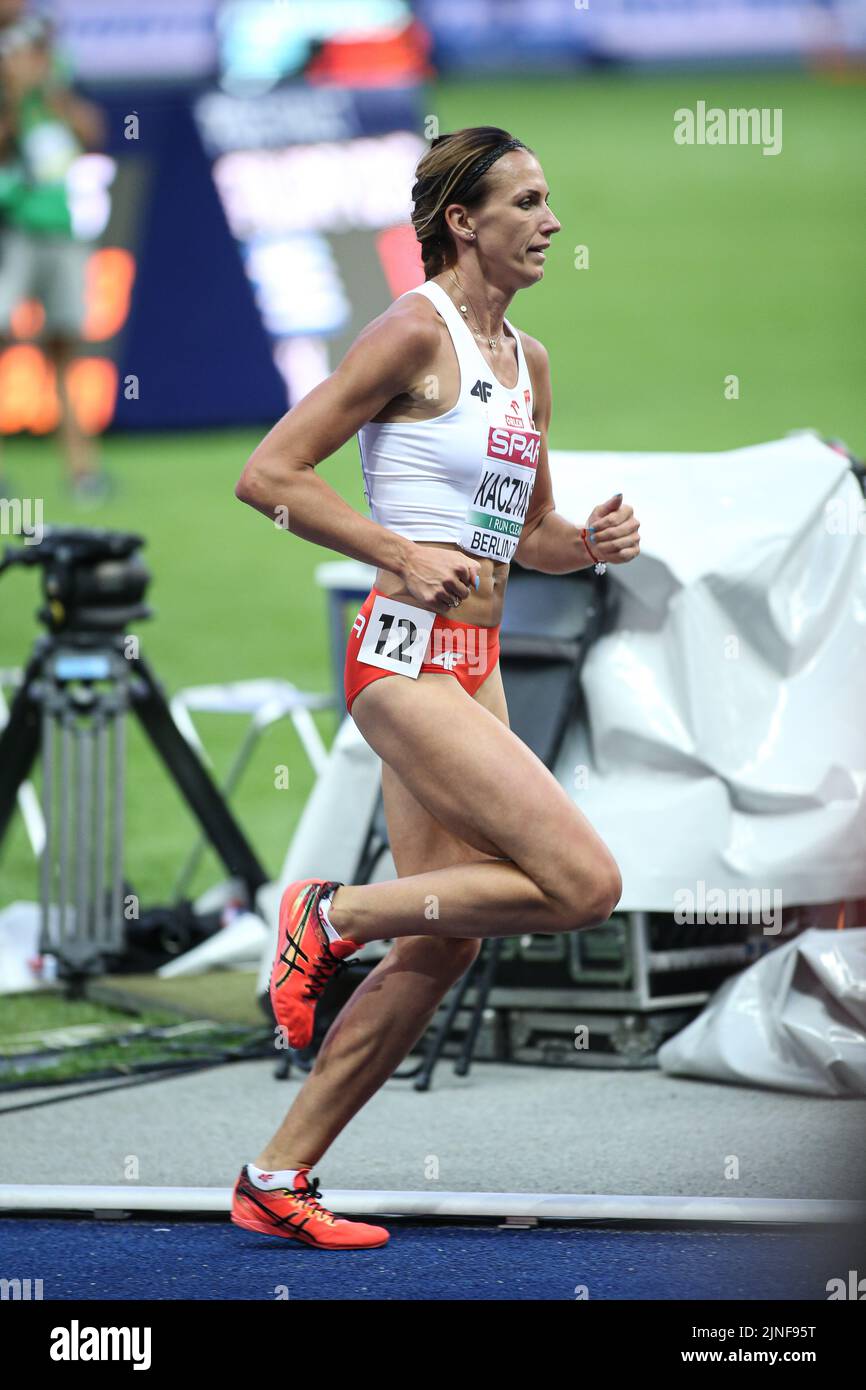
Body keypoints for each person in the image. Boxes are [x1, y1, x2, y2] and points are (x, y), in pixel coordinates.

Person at [231, 127, 640, 1249]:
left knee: (441, 939)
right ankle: (332, 912)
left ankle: (276, 1175)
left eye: (549, 200)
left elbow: (529, 537)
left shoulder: (529, 362)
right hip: (404, 658)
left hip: (476, 664)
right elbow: (266, 476)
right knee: (581, 881)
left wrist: (587, 542)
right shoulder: (413, 330)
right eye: (526, 202)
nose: (551, 222)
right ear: (463, 221)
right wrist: (397, 552)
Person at [0, 2, 107, 499]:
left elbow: (92, 133)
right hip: (11, 228)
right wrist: (15, 98)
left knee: (64, 349)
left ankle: (83, 472)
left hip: (60, 227)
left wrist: (51, 94)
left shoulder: (54, 82)